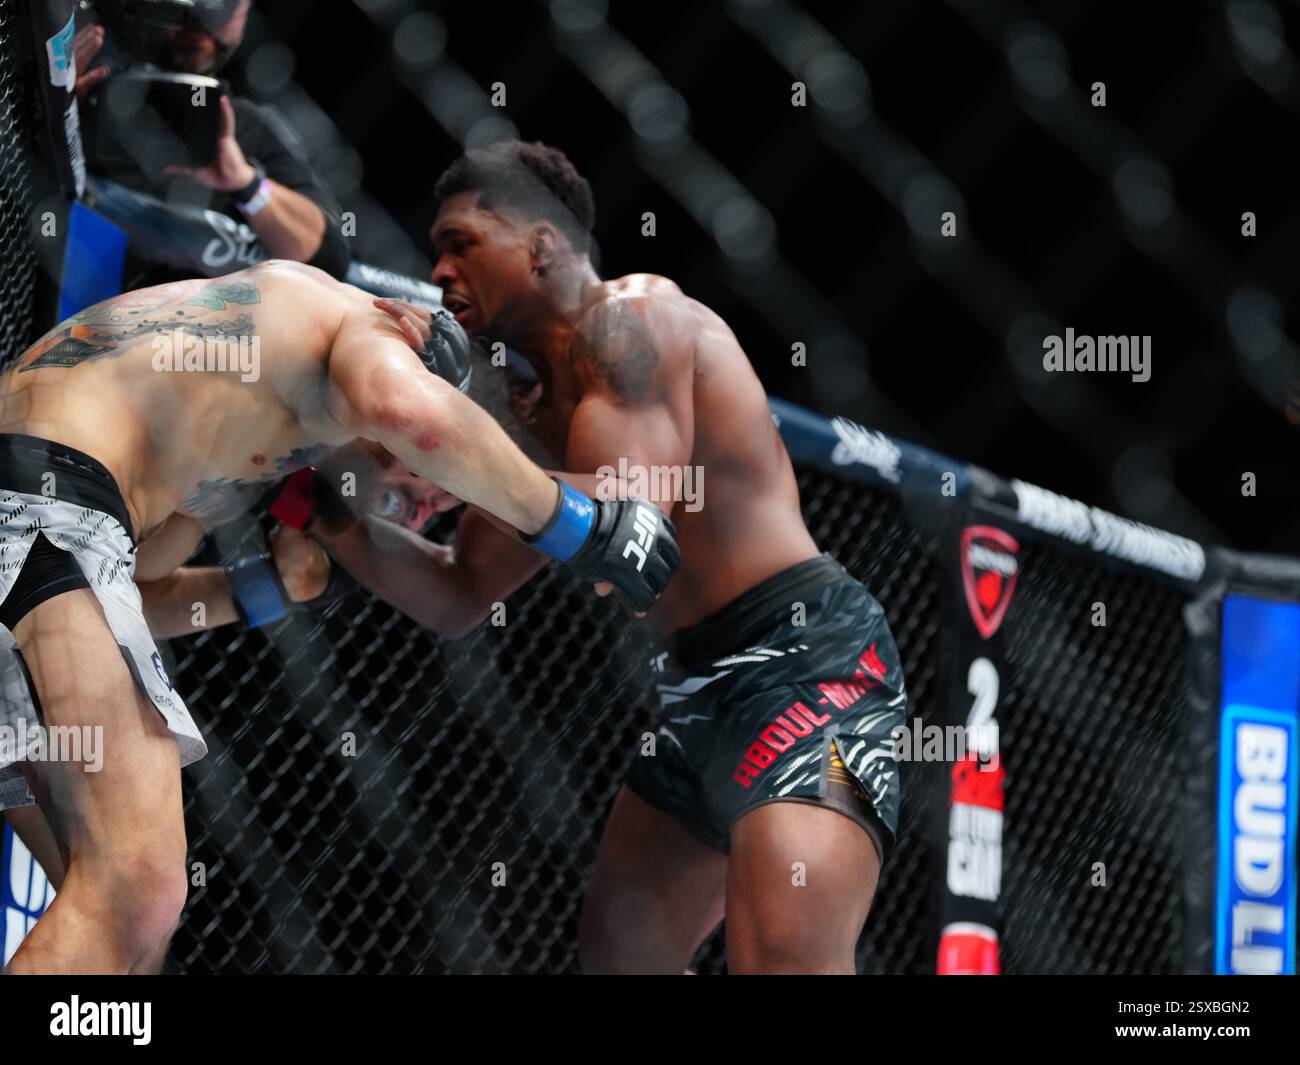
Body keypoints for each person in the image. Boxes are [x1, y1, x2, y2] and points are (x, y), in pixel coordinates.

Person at [312, 140, 908, 973]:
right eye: (435, 250)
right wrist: (334, 518)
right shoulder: (522, 406)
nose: (440, 270)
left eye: (461, 243)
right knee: (622, 960)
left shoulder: (635, 322)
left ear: (542, 245)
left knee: (785, 959)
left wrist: (441, 458)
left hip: (810, 663)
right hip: (695, 687)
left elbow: (630, 533)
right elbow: (458, 593)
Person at [0, 258, 679, 974]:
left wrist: (259, 586)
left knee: (136, 936)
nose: (414, 511)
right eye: (433, 494)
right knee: (136, 883)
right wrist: (582, 526)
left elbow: (119, 597)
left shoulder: (224, 428)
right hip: (41, 503)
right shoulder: (374, 327)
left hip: (38, 530)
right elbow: (407, 411)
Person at [74, 0, 350, 284]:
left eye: (228, 4)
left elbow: (331, 259)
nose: (206, 16)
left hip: (170, 315)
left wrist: (247, 184)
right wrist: (59, 111)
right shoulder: (92, 76)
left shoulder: (249, 129)